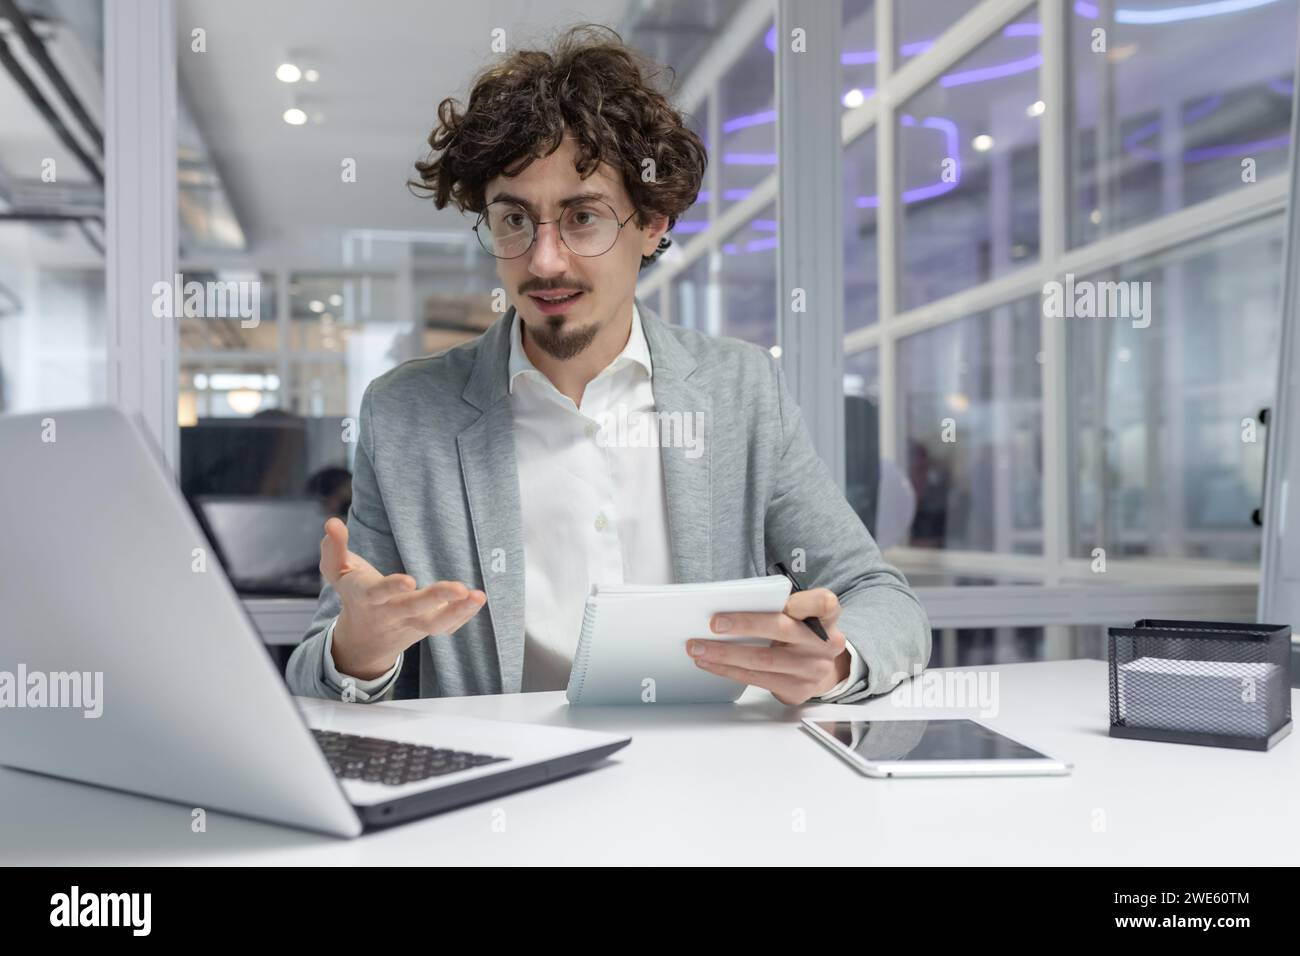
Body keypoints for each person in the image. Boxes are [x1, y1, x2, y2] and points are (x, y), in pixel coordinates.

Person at [287, 24, 930, 706]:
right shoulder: (407, 413)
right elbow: (317, 666)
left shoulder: (740, 391)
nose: (544, 260)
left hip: (703, 785)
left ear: (651, 223)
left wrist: (834, 662)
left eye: (582, 217)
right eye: (513, 220)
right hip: (501, 793)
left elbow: (881, 598)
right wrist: (358, 650)